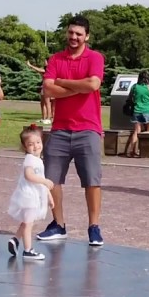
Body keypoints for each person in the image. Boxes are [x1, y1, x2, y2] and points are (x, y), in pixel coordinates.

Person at [35, 16, 107, 246]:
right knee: (51, 179)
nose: (74, 37)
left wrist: (63, 83)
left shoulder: (95, 57)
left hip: (88, 128)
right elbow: (47, 88)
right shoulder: (56, 58)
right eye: (71, 33)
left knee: (92, 181)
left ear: (87, 36)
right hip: (60, 129)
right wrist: (79, 87)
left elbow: (93, 85)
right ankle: (58, 224)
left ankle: (94, 227)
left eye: (79, 34)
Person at [6, 125, 57, 261]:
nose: (35, 146)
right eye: (31, 144)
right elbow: (29, 175)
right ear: (25, 147)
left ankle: (15, 239)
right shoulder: (30, 160)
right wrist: (45, 181)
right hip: (28, 196)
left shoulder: (38, 160)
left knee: (26, 221)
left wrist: (49, 196)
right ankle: (28, 250)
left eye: (38, 142)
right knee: (29, 224)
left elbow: (39, 181)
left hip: (33, 196)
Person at [124, 70, 149, 158]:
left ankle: (132, 151)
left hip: (137, 111)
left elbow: (130, 98)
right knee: (147, 132)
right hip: (148, 111)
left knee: (136, 132)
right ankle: (145, 151)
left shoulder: (134, 87)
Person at [25, 60, 54, 124]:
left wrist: (30, 65)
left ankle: (48, 118)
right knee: (42, 103)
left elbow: (39, 70)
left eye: (46, 61)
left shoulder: (48, 70)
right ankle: (44, 118)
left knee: (47, 103)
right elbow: (39, 70)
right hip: (43, 87)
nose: (44, 62)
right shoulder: (44, 70)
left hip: (48, 88)